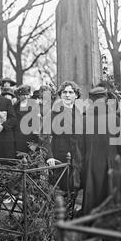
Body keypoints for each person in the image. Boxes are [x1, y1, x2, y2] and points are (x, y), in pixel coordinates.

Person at [80, 86, 121, 241]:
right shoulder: (115, 118)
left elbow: (79, 147)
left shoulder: (85, 119)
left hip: (92, 168)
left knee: (98, 202)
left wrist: (81, 167)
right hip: (113, 165)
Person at [42, 81, 85, 219]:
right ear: (60, 95)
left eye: (71, 92)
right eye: (64, 92)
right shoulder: (54, 113)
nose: (67, 95)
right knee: (58, 195)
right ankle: (56, 226)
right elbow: (43, 136)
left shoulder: (80, 114)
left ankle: (70, 222)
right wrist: (49, 156)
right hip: (59, 160)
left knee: (74, 192)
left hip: (77, 160)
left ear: (76, 95)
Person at [13, 84, 37, 155]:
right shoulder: (15, 106)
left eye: (27, 94)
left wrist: (35, 142)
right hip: (18, 136)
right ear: (19, 96)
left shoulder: (33, 106)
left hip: (30, 137)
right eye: (23, 95)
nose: (25, 97)